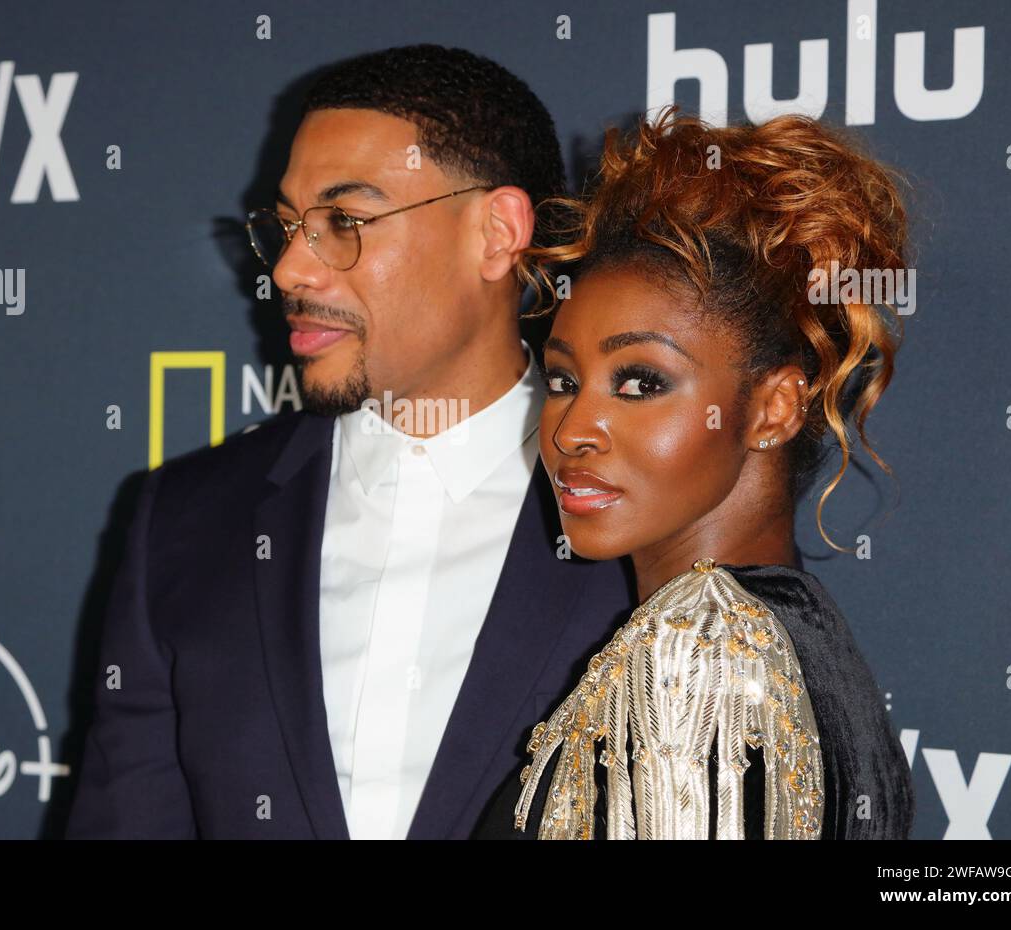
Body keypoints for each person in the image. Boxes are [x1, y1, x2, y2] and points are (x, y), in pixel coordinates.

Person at [64, 45, 635, 840]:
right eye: (289, 227)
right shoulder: (187, 522)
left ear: (497, 232)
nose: (292, 269)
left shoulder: (645, 523)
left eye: (345, 222)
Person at [472, 107, 916, 840]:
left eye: (641, 382)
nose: (573, 430)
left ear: (772, 409)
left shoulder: (693, 656)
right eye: (560, 380)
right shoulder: (807, 641)